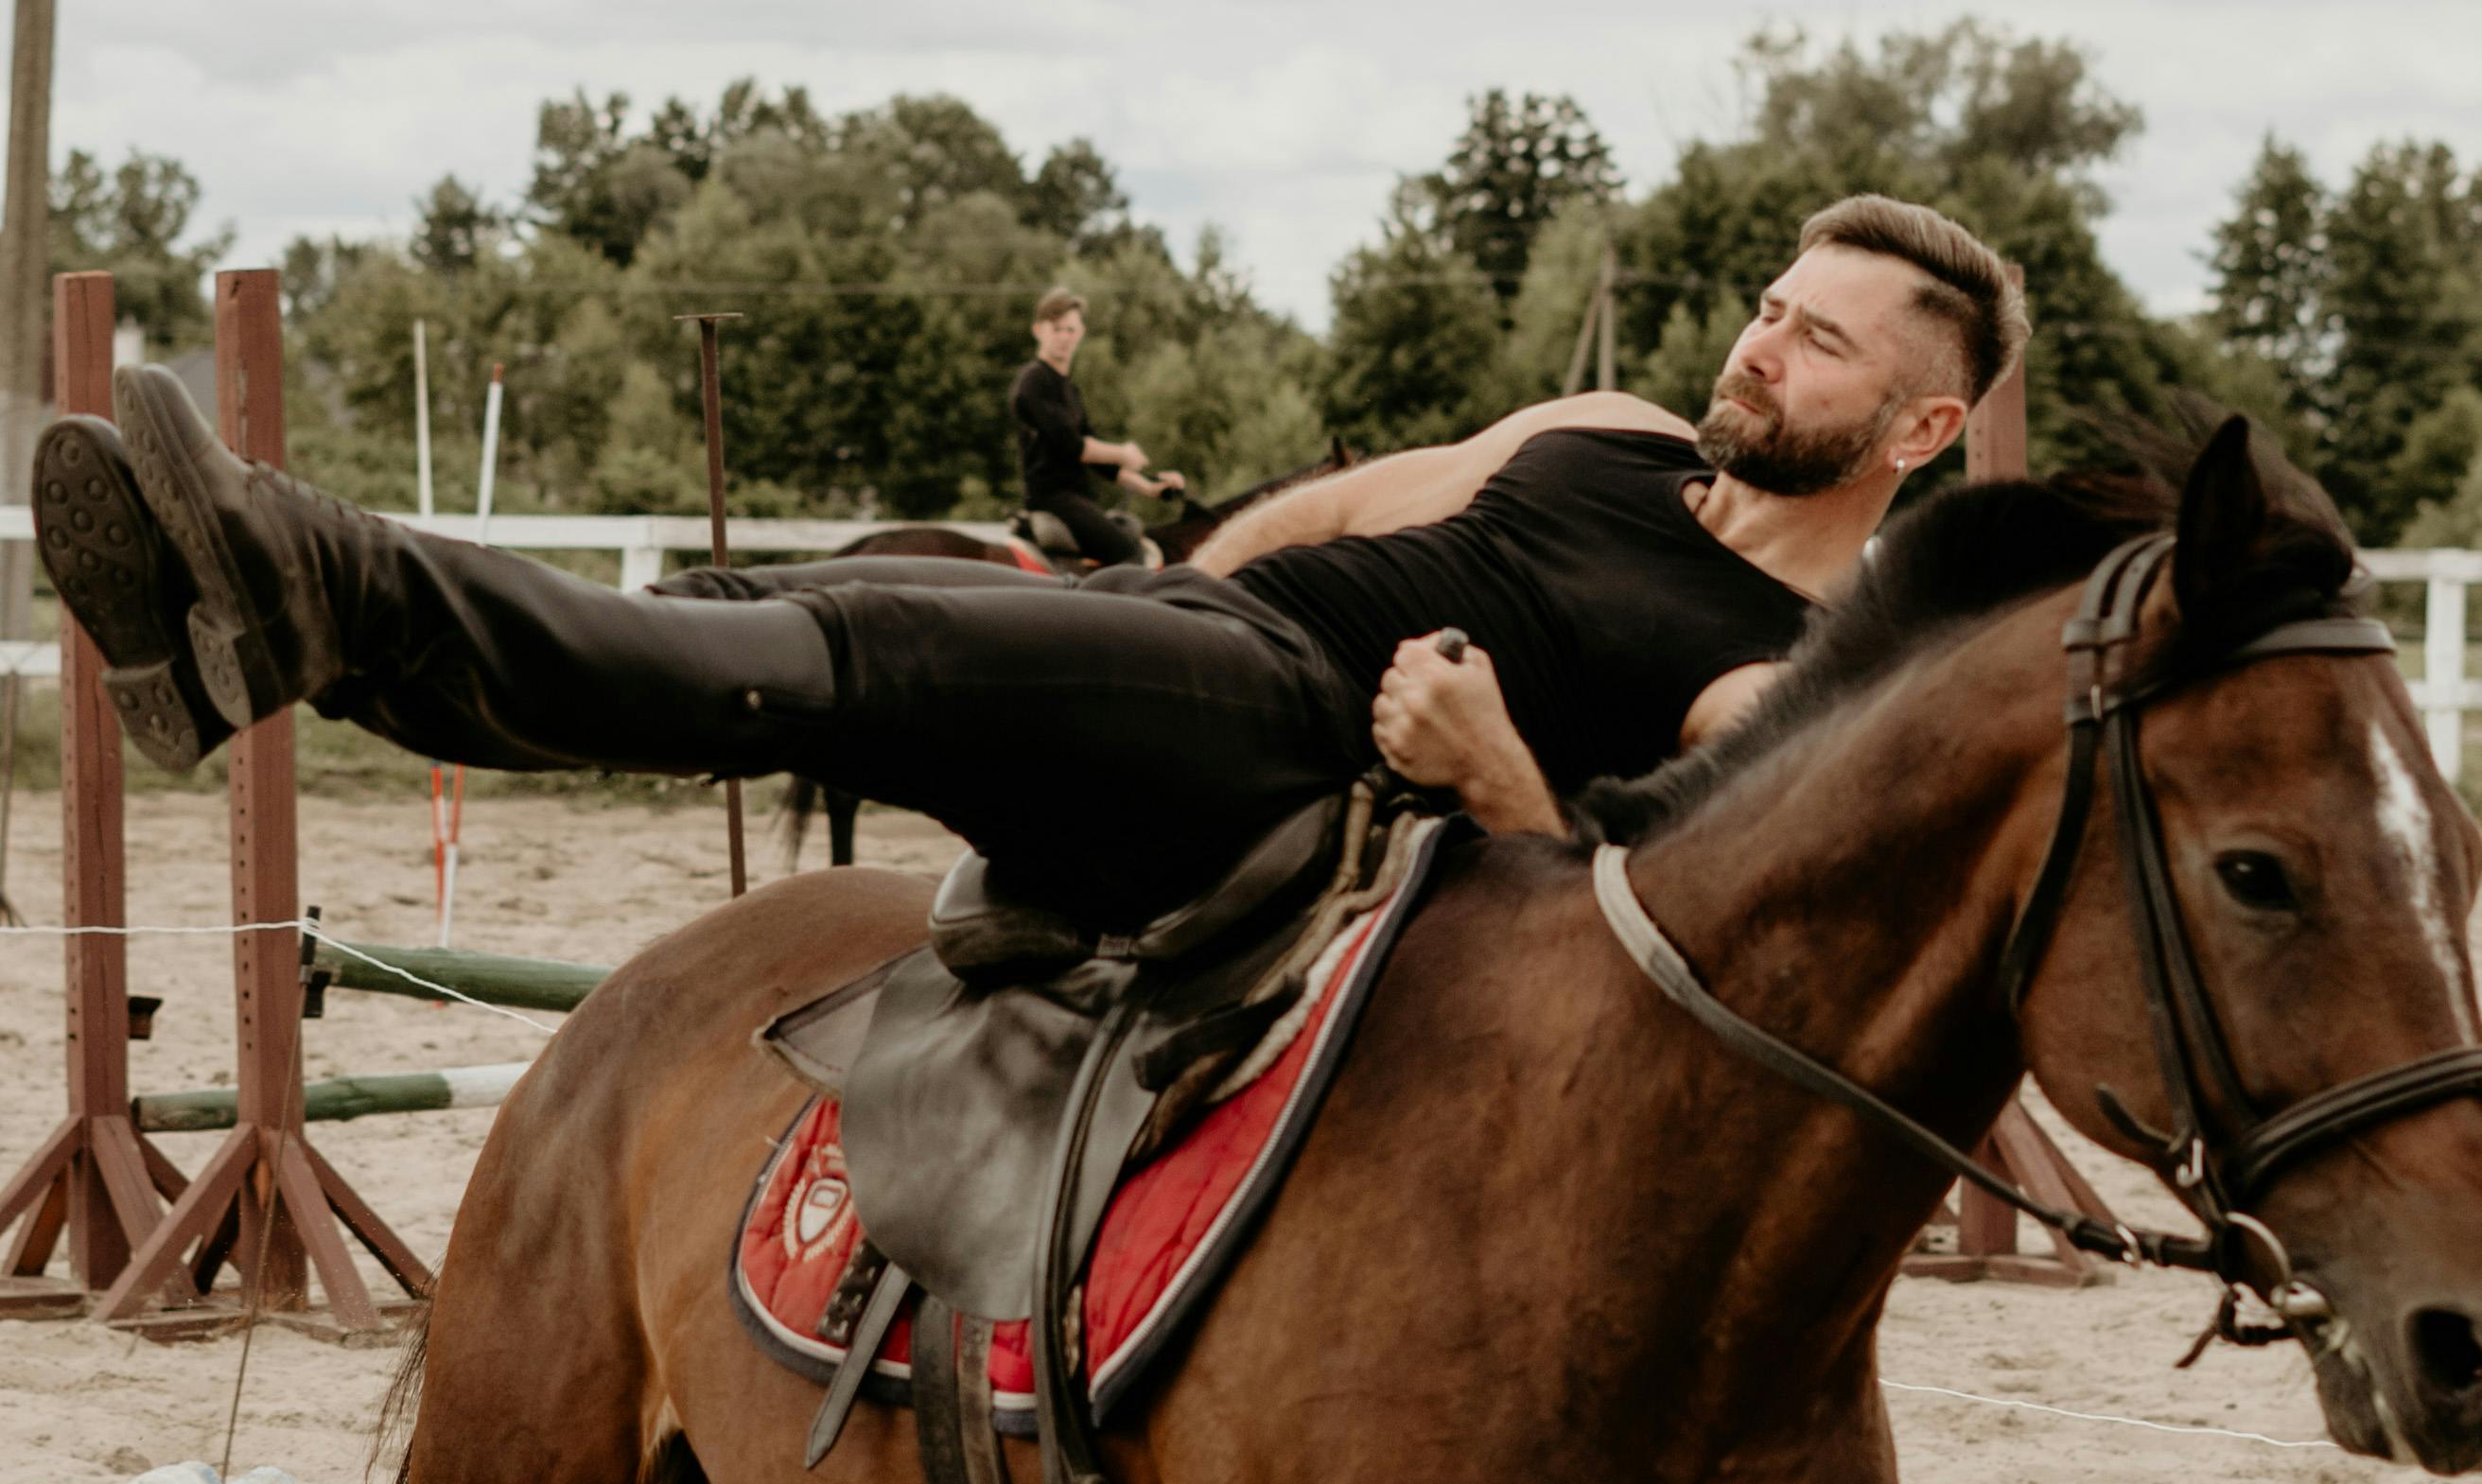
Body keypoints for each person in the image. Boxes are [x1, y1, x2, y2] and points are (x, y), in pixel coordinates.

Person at [34, 196, 2024, 938]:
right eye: (1769, 308)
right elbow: (1325, 514)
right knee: (766, 616)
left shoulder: (1789, 669)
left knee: (861, 652)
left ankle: (309, 567)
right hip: (1204, 643)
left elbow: (1648, 926)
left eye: (1819, 344)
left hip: (1301, 764)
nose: (1761, 346)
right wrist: (1140, 611)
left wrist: (1495, 768)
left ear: (1919, 429)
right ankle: (235, 658)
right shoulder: (1604, 430)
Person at [1010, 289, 1184, 568]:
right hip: (1052, 498)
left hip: (1076, 498)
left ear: (1080, 333)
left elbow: (1097, 458)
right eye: (1057, 329)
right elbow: (1073, 446)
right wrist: (1122, 453)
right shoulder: (1034, 381)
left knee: (1130, 535)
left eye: (1070, 329)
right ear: (1038, 330)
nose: (1064, 336)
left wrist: (1151, 487)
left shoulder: (1070, 391)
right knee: (1128, 553)